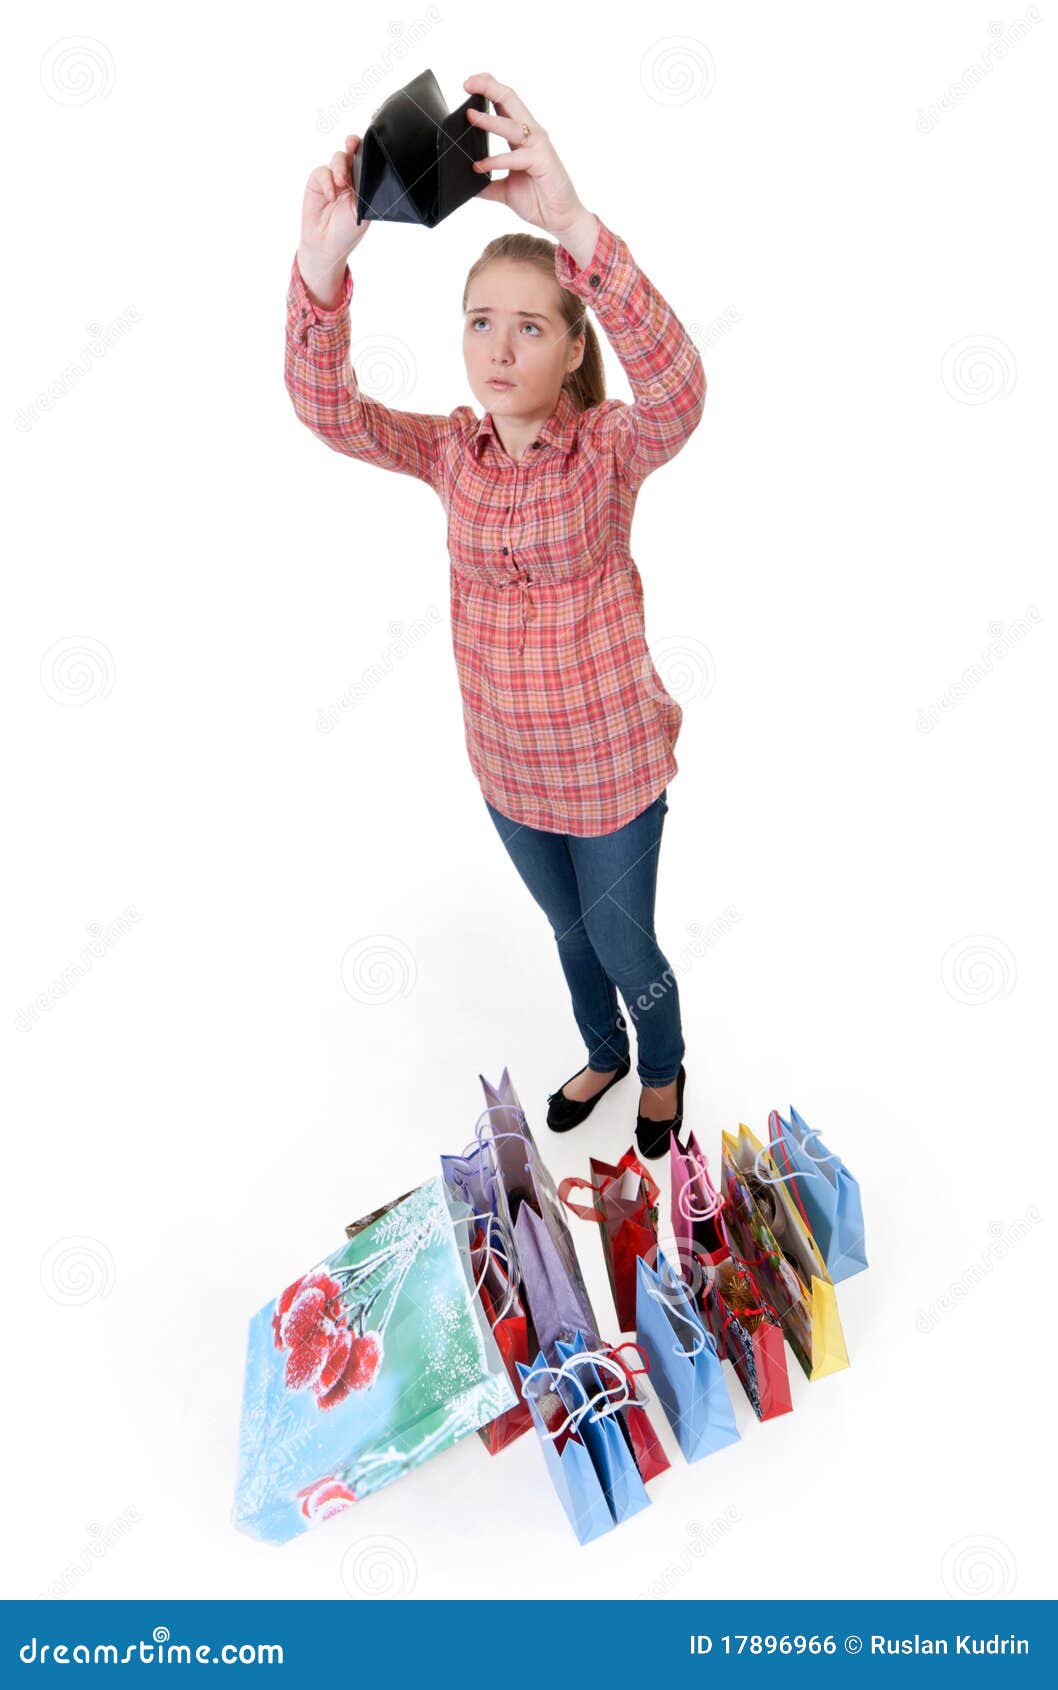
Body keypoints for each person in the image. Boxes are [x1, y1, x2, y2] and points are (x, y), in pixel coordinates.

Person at [286, 73, 706, 1158]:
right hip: (510, 772)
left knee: (624, 941)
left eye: (529, 325)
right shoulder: (448, 454)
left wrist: (570, 223)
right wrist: (323, 266)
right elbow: (329, 413)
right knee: (567, 936)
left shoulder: (609, 448)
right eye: (482, 323)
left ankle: (658, 1066)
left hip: (608, 771)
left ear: (572, 348)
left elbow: (679, 391)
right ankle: (600, 1050)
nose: (500, 346)